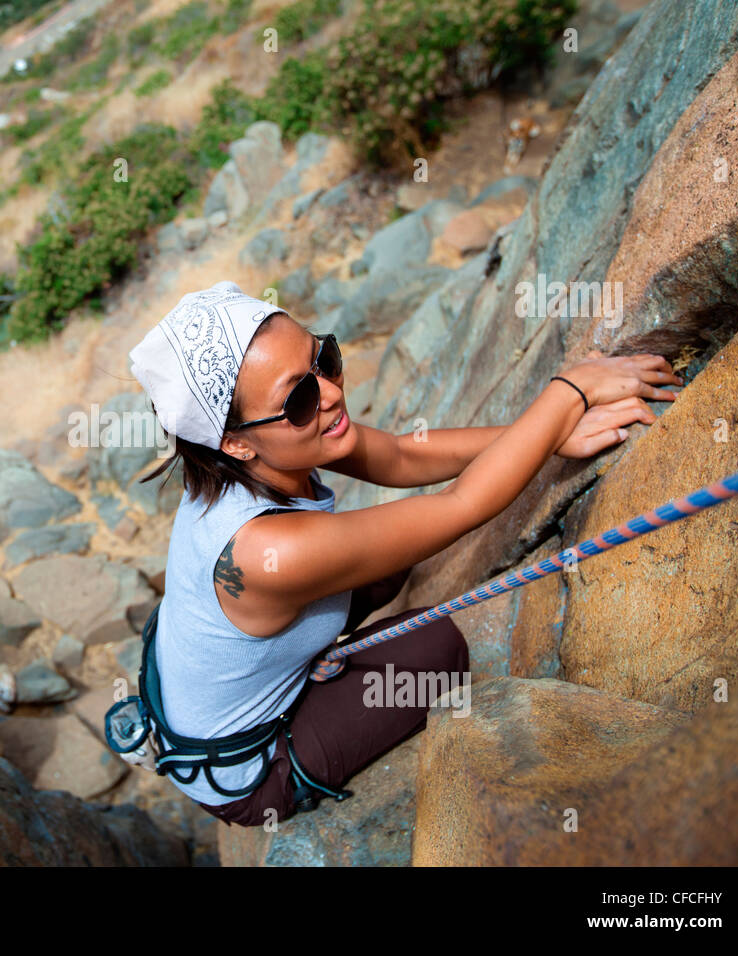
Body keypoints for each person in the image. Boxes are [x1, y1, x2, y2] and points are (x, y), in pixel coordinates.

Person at [127, 280, 682, 827]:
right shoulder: (268, 550)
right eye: (297, 397)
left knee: (391, 558)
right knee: (434, 646)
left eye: (324, 357)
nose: (330, 393)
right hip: (247, 767)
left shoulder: (257, 454)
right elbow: (463, 506)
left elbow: (396, 455)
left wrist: (546, 432)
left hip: (198, 682)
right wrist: (568, 394)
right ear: (237, 441)